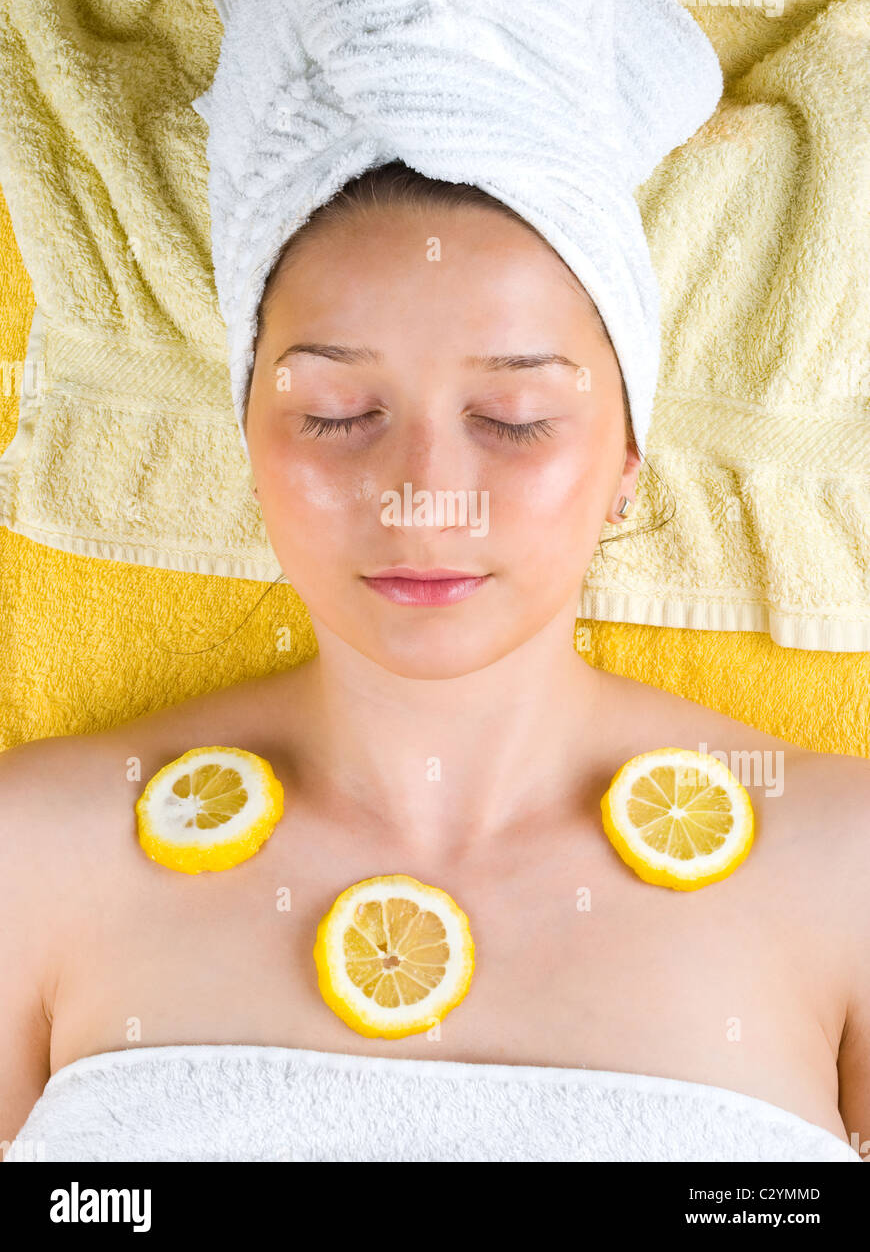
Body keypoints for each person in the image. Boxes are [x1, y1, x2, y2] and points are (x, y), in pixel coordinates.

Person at [1, 159, 868, 1162]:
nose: (423, 496)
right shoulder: (33, 855)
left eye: (512, 419)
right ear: (248, 442)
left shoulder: (845, 868)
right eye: (336, 412)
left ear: (627, 458)